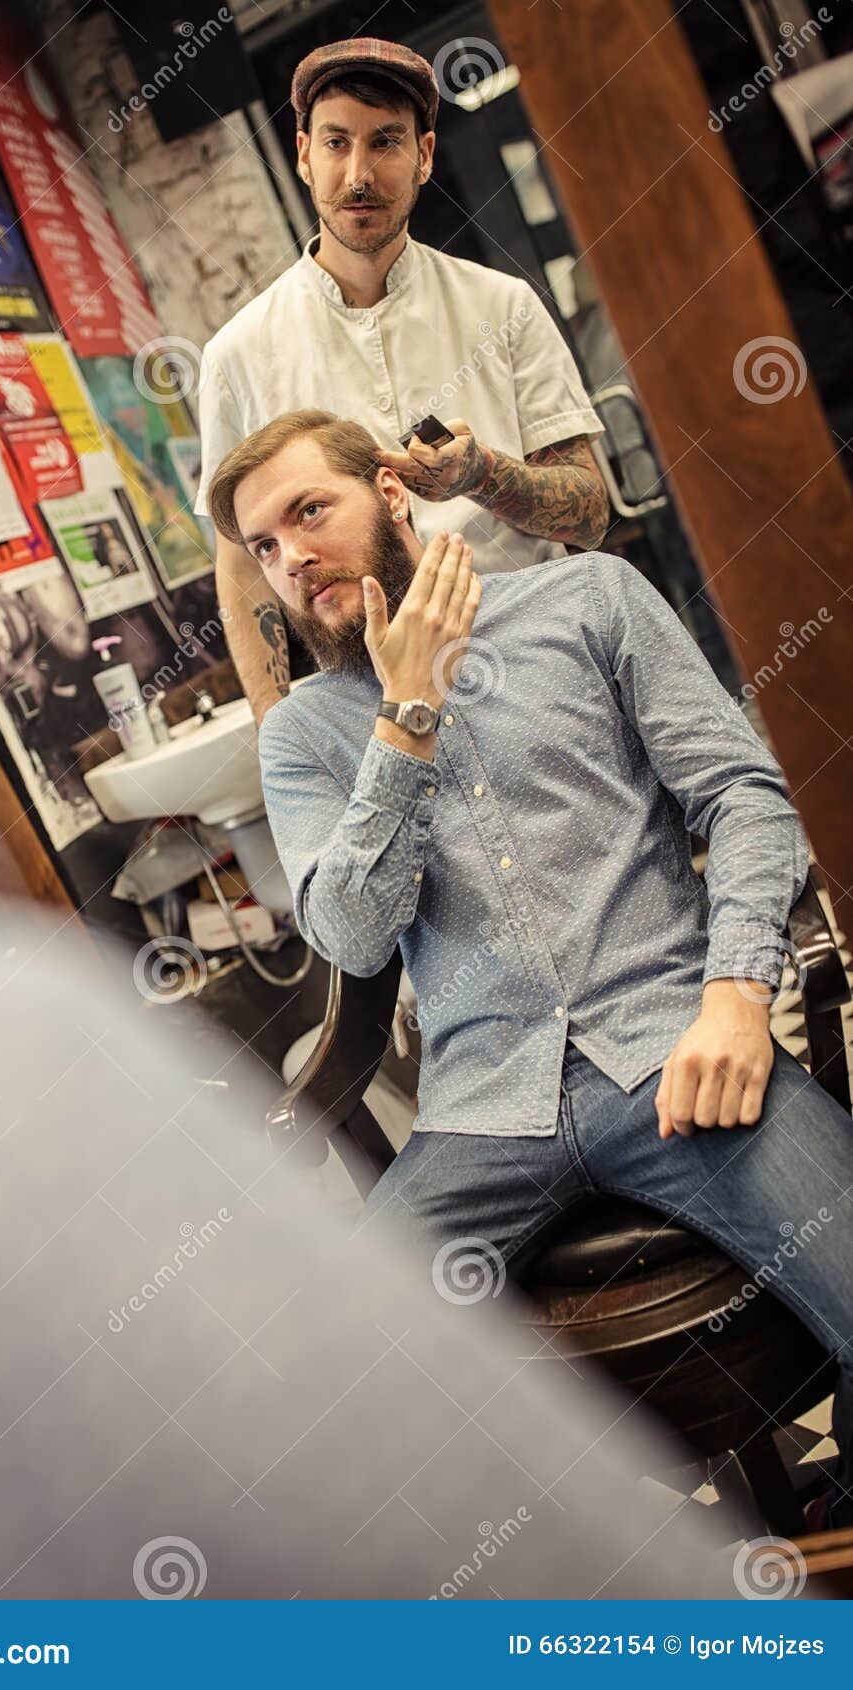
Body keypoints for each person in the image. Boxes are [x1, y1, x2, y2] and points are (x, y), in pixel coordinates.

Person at [207, 407, 853, 1531]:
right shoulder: (304, 734)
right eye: (263, 544)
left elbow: (741, 797)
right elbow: (353, 939)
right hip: (479, 1109)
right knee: (337, 1393)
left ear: (392, 497)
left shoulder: (586, 601)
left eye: (309, 511)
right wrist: (406, 713)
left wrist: (739, 992)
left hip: (675, 1049)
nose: (289, 557)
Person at [194, 37, 609, 724]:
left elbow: (589, 515)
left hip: (544, 666)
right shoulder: (236, 355)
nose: (358, 174)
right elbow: (241, 569)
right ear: (302, 155)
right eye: (335, 144)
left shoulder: (501, 306)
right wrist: (278, 736)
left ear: (423, 156)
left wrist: (482, 475)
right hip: (372, 702)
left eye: (385, 142)